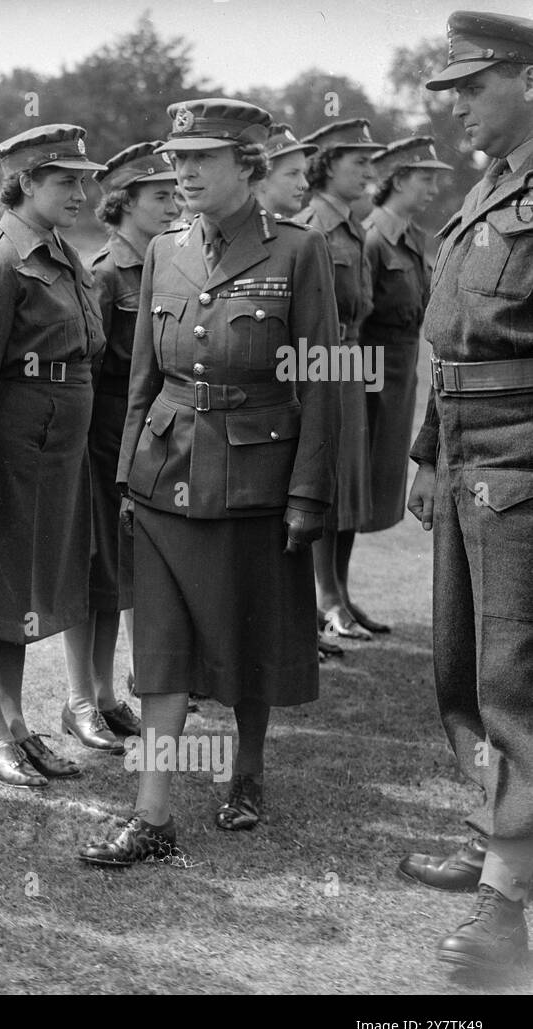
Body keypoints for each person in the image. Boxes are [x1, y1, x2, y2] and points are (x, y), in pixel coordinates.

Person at [81, 99, 339, 866]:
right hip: (164, 473)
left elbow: (321, 379)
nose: (183, 173)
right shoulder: (163, 250)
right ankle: (152, 813)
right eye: (177, 159)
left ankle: (247, 772)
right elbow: (143, 378)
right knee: (160, 648)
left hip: (257, 472)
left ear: (249, 168)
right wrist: (129, 473)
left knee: (249, 632)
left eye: (203, 159)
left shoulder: (299, 251)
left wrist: (310, 491)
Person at [400, 10, 533, 974]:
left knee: (512, 682)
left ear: (527, 81)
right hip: (463, 456)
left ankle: (505, 900)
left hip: (522, 463)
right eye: (448, 93)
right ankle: (501, 841)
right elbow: (447, 340)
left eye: (471, 89)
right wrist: (423, 453)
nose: (455, 109)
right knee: (462, 671)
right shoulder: (493, 189)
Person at [0, 125, 106, 789]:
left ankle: (15, 724)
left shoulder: (61, 252)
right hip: (19, 439)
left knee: (28, 585)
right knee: (5, 585)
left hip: (58, 441)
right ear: (22, 184)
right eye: (63, 181)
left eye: (80, 180)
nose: (79, 192)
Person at [59, 141, 178, 756]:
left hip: (141, 445)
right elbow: (93, 365)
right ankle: (80, 697)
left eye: (173, 193)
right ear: (123, 203)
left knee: (119, 576)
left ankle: (105, 696)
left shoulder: (164, 262)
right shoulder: (104, 273)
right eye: (159, 195)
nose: (172, 204)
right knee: (91, 572)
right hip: (100, 441)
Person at [255, 123, 346, 662]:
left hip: (287, 420)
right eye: (290, 172)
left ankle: (305, 625)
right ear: (256, 178)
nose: (304, 182)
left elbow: (322, 364)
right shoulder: (182, 248)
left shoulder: (299, 244)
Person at [293, 118, 386, 640]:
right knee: (325, 481)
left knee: (350, 480)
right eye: (359, 162)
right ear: (326, 166)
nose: (369, 173)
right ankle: (324, 597)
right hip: (318, 363)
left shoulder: (351, 224)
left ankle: (341, 593)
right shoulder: (314, 227)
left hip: (351, 362)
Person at [361, 138, 451, 539]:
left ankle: (336, 592)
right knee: (353, 481)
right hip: (365, 374)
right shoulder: (370, 239)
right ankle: (329, 592)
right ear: (397, 180)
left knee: (380, 482)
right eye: (425, 179)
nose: (433, 190)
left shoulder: (413, 236)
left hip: (399, 375)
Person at [255, 123, 316, 219]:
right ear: (261, 179)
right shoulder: (238, 232)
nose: (304, 185)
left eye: (304, 173)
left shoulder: (298, 232)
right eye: (293, 173)